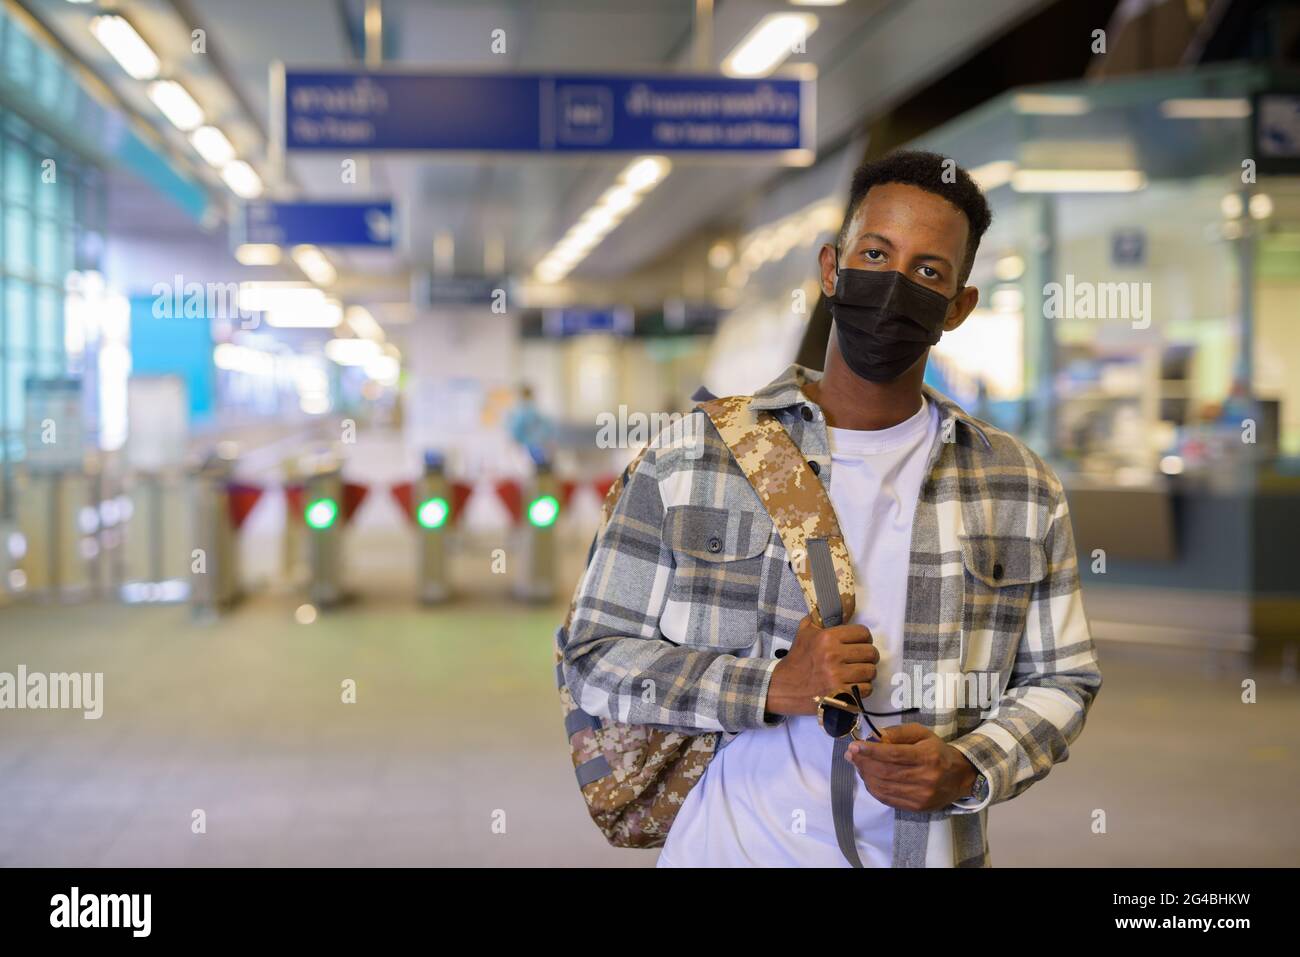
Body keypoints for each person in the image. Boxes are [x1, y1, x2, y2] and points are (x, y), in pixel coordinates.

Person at [562, 150, 1101, 867]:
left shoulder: (1018, 486)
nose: (895, 283)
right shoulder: (693, 456)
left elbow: (1063, 678)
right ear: (831, 269)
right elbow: (594, 656)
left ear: (958, 307)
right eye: (876, 253)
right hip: (728, 850)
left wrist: (970, 765)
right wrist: (774, 682)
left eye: (929, 272)